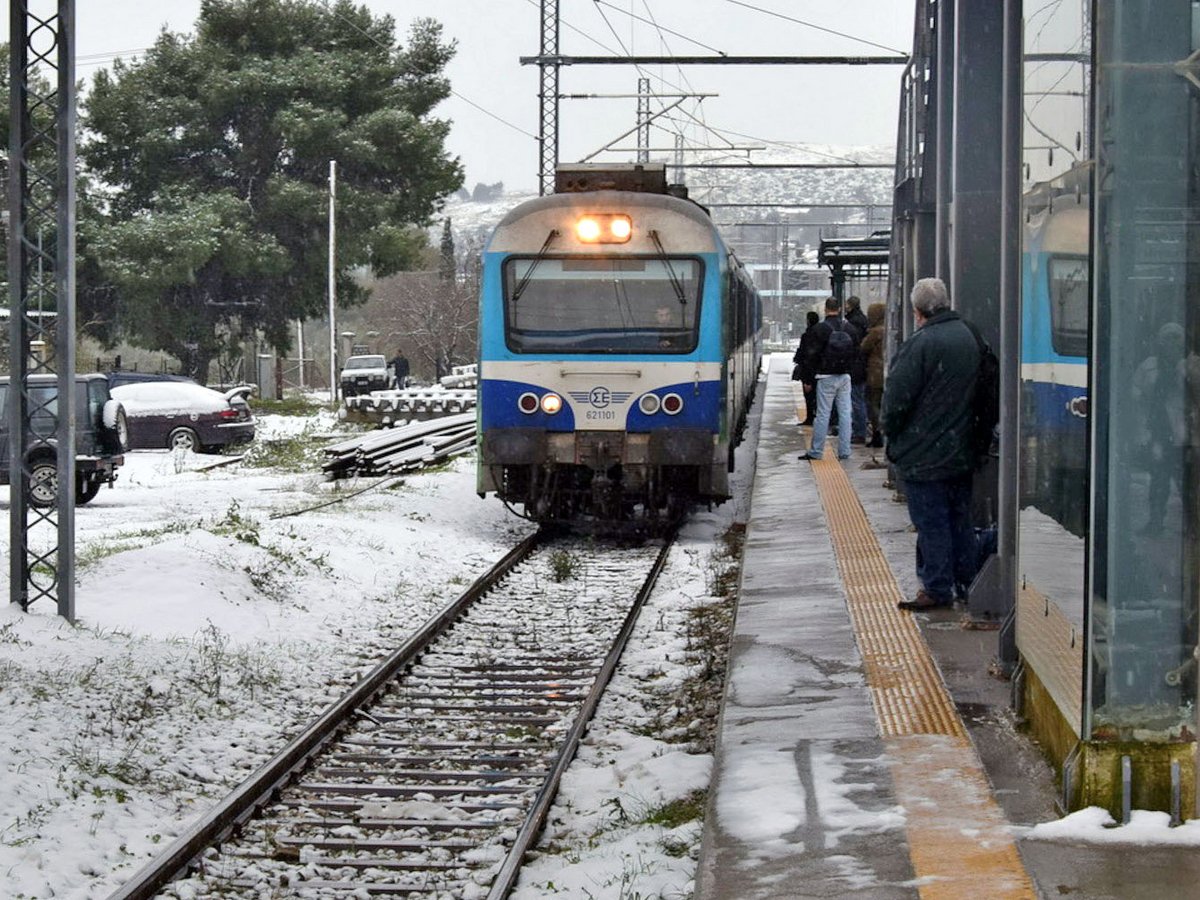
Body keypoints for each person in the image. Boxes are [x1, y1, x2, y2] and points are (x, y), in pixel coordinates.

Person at [882, 277, 981, 610]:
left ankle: (937, 587)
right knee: (959, 519)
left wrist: (892, 435)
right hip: (962, 449)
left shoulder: (921, 343)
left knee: (931, 523)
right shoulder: (969, 337)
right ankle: (967, 581)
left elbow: (896, 399)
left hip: (925, 454)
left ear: (917, 311)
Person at [797, 296, 857, 462]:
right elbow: (856, 352)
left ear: (825, 309)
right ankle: (845, 451)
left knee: (823, 414)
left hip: (825, 376)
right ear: (839, 309)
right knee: (845, 413)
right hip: (845, 376)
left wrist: (808, 378)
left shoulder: (819, 329)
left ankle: (816, 451)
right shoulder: (849, 328)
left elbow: (811, 356)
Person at [859, 302, 887, 447]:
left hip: (875, 375)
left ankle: (878, 433)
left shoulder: (875, 332)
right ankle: (882, 432)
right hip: (885, 373)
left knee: (872, 404)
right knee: (882, 404)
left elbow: (863, 347)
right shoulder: (888, 329)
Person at [845, 296, 870, 444]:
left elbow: (855, 346)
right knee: (860, 399)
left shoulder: (854, 323)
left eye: (848, 305)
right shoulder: (863, 320)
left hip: (857, 367)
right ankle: (860, 429)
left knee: (856, 400)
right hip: (862, 366)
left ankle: (859, 432)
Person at [793, 310, 820, 425]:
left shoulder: (807, 335)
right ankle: (815, 416)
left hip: (808, 372)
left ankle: (810, 418)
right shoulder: (820, 334)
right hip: (819, 371)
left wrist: (807, 379)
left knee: (809, 397)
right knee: (817, 397)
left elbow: (805, 355)